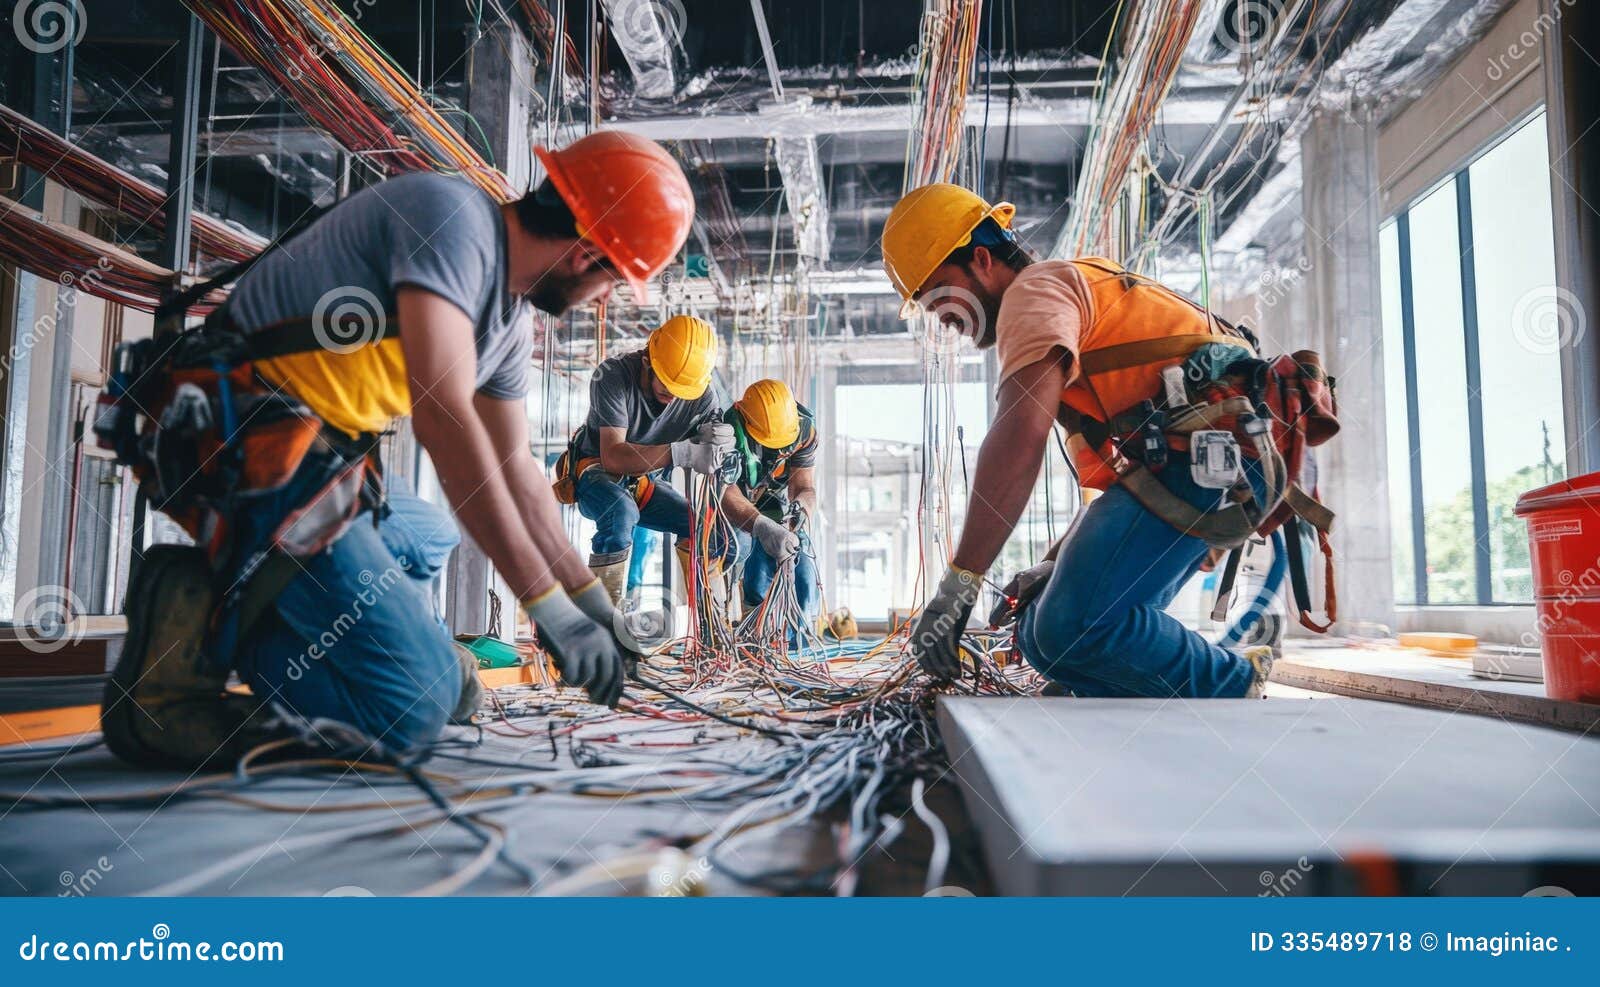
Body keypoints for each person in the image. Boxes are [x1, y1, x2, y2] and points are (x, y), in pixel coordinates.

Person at [101, 131, 696, 768]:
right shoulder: (454, 222)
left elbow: (514, 465)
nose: (605, 298)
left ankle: (376, 643)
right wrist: (544, 605)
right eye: (614, 281)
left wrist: (588, 601)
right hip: (243, 443)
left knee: (429, 537)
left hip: (321, 461)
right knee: (409, 712)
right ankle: (196, 654)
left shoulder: (509, 321)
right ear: (584, 254)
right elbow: (443, 419)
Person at [882, 183, 1278, 699]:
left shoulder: (1033, 293)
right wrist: (1050, 565)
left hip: (1213, 460)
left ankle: (1237, 679)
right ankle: (1103, 673)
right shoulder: (1069, 328)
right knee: (1041, 635)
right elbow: (1110, 489)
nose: (941, 319)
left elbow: (1019, 438)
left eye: (939, 295)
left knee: (1070, 627)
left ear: (981, 259)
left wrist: (961, 583)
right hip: (1203, 465)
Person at [558, 315, 735, 605]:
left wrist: (720, 443)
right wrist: (684, 452)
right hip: (596, 472)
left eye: (682, 391)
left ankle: (708, 629)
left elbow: (717, 455)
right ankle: (602, 625)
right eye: (666, 384)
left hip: (645, 482)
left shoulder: (702, 396)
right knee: (621, 514)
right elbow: (613, 456)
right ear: (647, 360)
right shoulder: (613, 375)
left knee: (709, 532)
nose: (673, 395)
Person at [720, 379, 820, 622]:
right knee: (750, 563)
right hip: (738, 507)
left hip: (777, 505)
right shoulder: (727, 432)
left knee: (803, 569)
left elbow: (804, 486)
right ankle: (755, 633)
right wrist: (761, 527)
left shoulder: (803, 431)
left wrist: (801, 509)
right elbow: (726, 493)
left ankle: (801, 638)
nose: (778, 449)